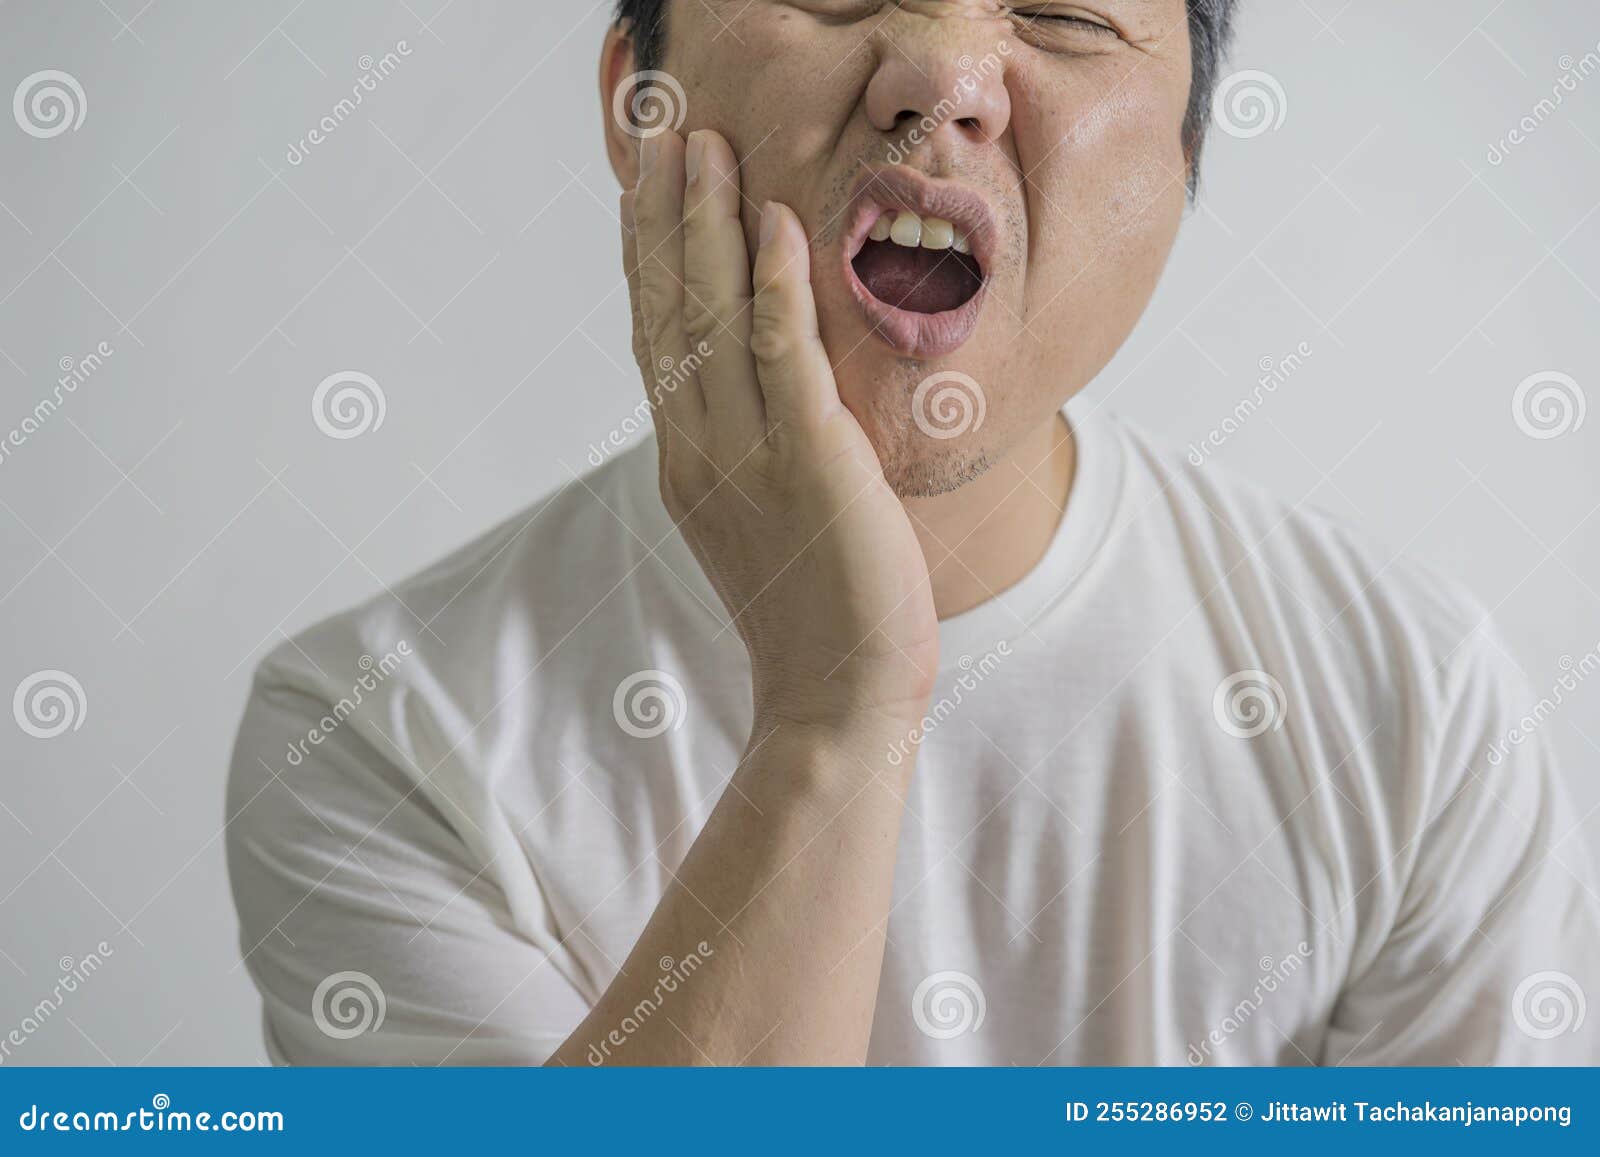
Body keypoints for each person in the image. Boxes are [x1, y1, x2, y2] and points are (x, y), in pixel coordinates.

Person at [226, 0, 1600, 1065]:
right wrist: (838, 706)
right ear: (634, 102)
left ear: (1189, 153)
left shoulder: (1415, 714)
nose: (940, 79)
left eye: (1059, 11)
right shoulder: (377, 739)